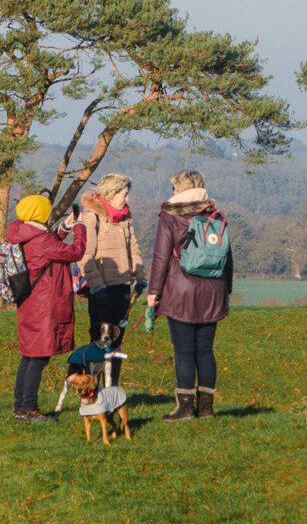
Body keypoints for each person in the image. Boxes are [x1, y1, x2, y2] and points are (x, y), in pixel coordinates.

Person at [146, 170, 232, 421]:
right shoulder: (216, 215)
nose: (172, 192)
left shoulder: (170, 215)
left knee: (184, 351)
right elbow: (227, 255)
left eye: (174, 187)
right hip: (213, 290)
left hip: (180, 290)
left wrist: (154, 292)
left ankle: (184, 408)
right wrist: (226, 289)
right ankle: (206, 409)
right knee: (205, 350)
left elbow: (161, 256)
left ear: (180, 190)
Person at [4, 193, 87, 422]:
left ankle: (20, 408)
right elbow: (75, 252)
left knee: (29, 356)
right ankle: (30, 409)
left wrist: (63, 229)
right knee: (38, 358)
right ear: (40, 213)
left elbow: (50, 250)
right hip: (44, 305)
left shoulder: (24, 233)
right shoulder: (42, 240)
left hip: (30, 303)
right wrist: (79, 227)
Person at [78, 172, 143, 382]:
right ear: (111, 193)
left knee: (117, 344)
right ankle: (93, 389)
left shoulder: (125, 216)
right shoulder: (92, 216)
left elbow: (133, 248)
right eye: (124, 194)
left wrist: (140, 276)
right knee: (99, 345)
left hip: (123, 288)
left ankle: (112, 388)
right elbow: (85, 255)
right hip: (101, 291)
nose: (127, 198)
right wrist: (97, 286)